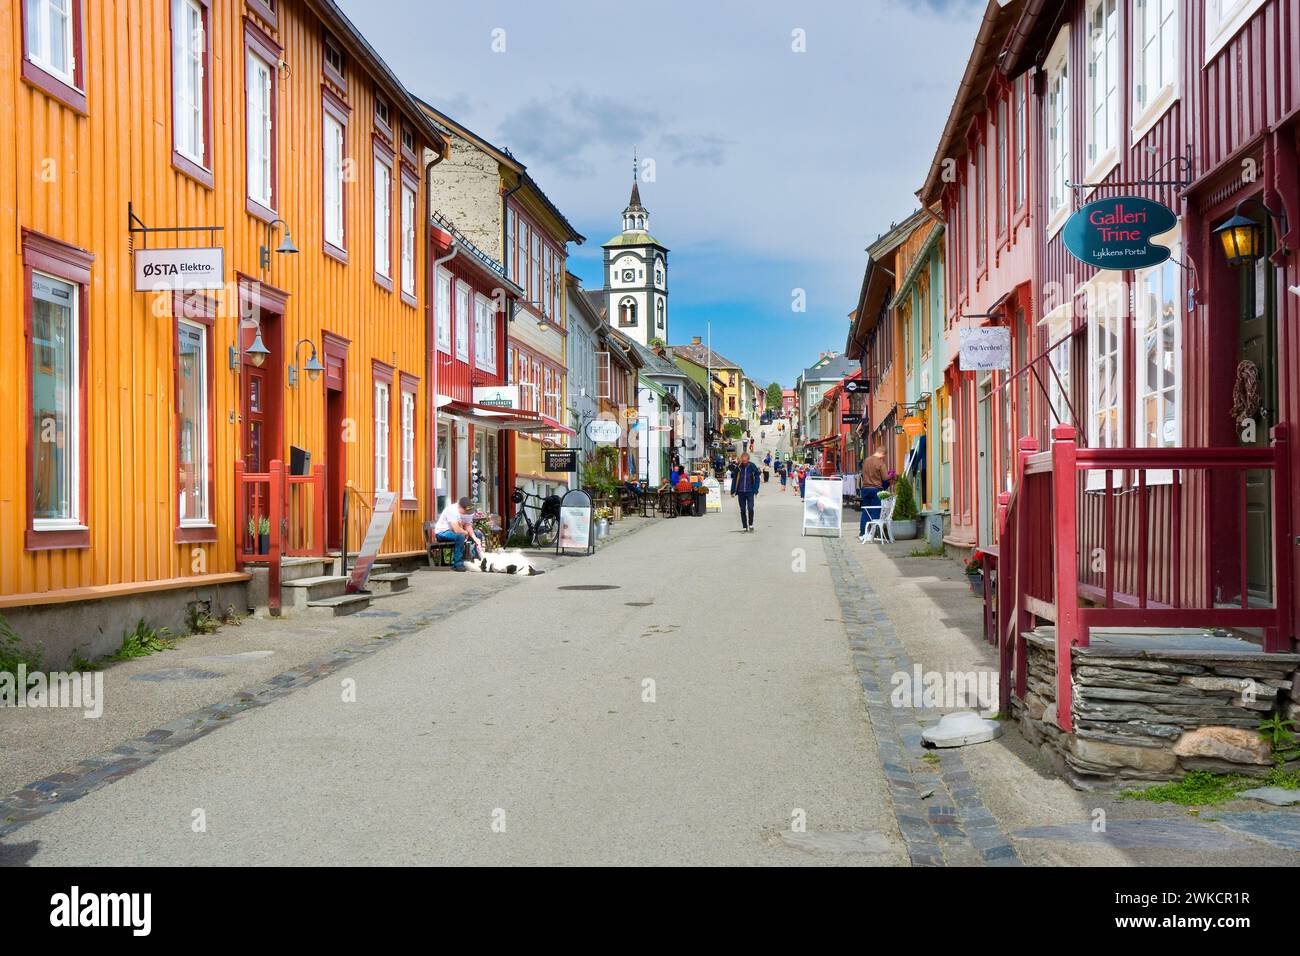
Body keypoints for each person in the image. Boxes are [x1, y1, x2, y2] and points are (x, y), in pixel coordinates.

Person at [433, 496, 483, 572]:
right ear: (459, 507)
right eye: (465, 512)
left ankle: (476, 561)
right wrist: (466, 533)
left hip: (456, 531)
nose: (467, 514)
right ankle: (458, 564)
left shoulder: (468, 510)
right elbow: (456, 530)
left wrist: (475, 538)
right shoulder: (451, 510)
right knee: (460, 536)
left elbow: (468, 525)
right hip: (442, 532)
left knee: (478, 534)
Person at [859, 448, 891, 541]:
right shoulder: (880, 463)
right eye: (884, 456)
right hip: (875, 489)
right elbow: (885, 478)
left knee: (866, 511)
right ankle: (873, 533)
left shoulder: (866, 461)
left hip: (865, 489)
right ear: (882, 453)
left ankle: (863, 533)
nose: (884, 458)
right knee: (876, 511)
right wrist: (892, 475)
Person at [731, 452, 762, 532]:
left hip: (750, 491)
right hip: (741, 491)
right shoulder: (738, 467)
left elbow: (757, 477)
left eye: (745, 461)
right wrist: (733, 490)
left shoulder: (752, 466)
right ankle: (744, 526)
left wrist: (756, 489)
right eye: (743, 461)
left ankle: (751, 524)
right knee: (743, 509)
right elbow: (734, 479)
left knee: (750, 508)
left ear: (748, 460)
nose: (744, 462)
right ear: (741, 459)